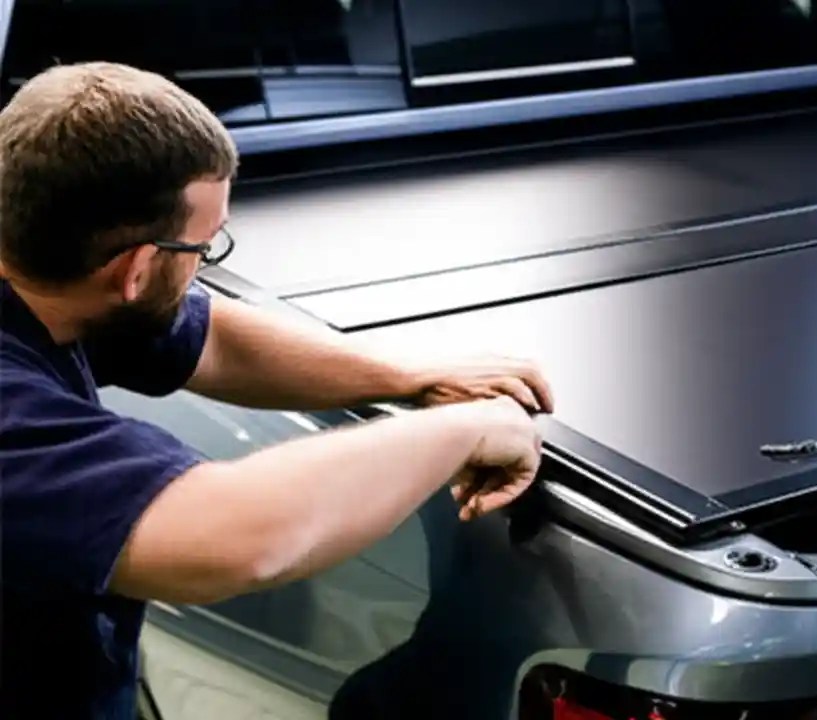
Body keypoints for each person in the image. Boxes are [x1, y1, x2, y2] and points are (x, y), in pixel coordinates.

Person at [0, 61, 554, 718]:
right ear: (136, 270)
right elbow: (237, 538)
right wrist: (468, 430)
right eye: (204, 249)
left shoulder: (44, 279)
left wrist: (408, 374)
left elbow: (211, 338)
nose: (203, 266)